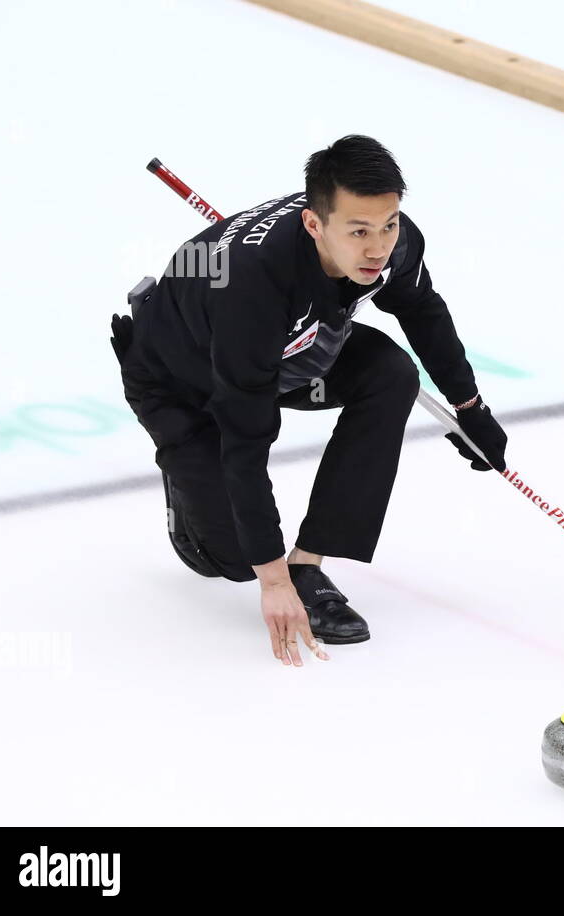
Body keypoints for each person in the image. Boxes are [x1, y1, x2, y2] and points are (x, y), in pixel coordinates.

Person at [109, 135, 508, 666]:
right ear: (314, 224)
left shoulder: (394, 241)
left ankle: (310, 560)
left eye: (388, 224)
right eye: (359, 231)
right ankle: (188, 484)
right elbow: (247, 438)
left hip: (290, 349)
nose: (378, 247)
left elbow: (422, 311)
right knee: (233, 560)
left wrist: (470, 408)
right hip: (182, 381)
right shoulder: (253, 288)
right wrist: (272, 582)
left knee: (390, 373)